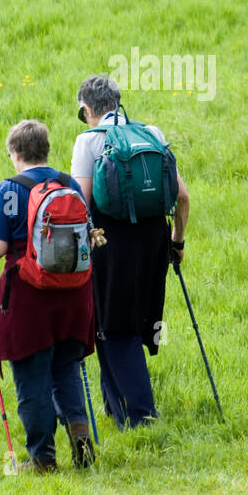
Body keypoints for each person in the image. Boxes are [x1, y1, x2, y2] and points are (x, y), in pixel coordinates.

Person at [0, 120, 96, 473]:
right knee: (66, 368)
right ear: (46, 149)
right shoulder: (69, 185)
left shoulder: (9, 189)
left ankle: (42, 459)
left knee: (32, 377)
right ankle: (80, 432)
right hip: (74, 295)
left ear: (15, 154)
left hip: (29, 298)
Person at [71, 75, 189, 429]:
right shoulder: (152, 133)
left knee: (115, 327)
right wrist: (177, 242)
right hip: (155, 240)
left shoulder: (87, 141)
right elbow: (182, 196)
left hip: (110, 244)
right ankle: (116, 407)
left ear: (87, 110)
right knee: (132, 322)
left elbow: (80, 206)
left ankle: (141, 417)